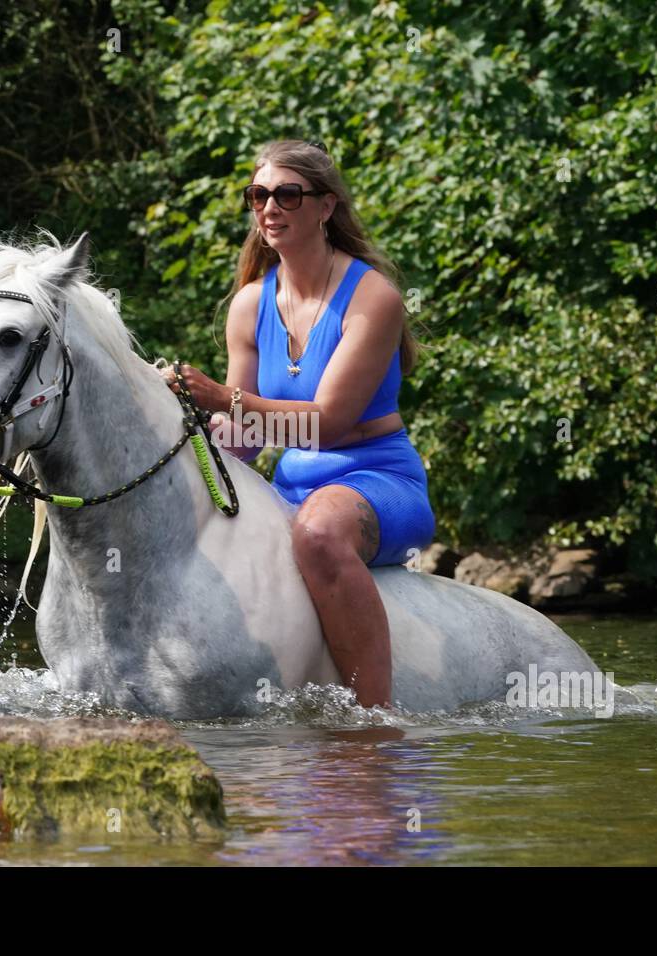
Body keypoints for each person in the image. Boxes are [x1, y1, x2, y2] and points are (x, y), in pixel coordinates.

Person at [165, 139, 434, 707]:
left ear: (325, 206)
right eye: (258, 195)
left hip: (376, 481)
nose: (270, 207)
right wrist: (184, 427)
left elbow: (328, 426)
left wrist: (220, 397)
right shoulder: (248, 304)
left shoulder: (374, 298)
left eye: (288, 194)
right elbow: (245, 437)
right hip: (288, 488)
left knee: (317, 533)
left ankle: (372, 721)